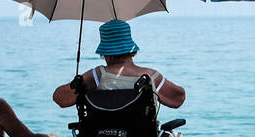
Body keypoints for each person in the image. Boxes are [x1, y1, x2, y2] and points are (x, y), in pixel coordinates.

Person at [52, 20, 185, 111]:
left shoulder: (97, 75)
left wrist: (79, 81)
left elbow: (59, 99)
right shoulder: (151, 76)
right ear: (132, 51)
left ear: (106, 54)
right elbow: (178, 99)